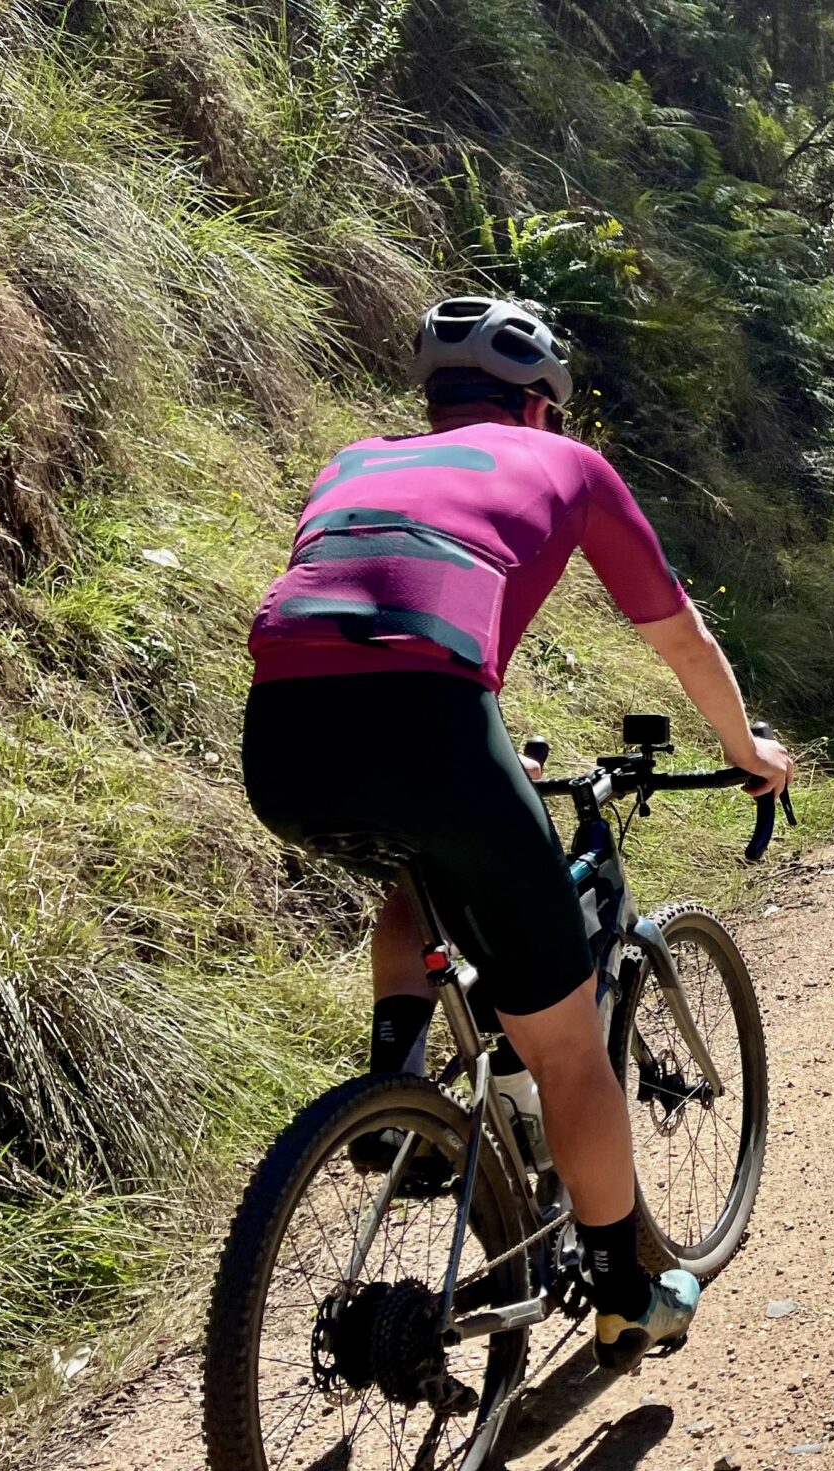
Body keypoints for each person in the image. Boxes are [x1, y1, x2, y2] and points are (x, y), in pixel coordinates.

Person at [240, 296, 793, 1369]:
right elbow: (678, 637)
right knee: (570, 1047)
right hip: (434, 729)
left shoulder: (353, 461)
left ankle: (397, 1094)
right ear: (541, 403)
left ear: (434, 400)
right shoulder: (571, 467)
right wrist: (748, 751)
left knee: (417, 866)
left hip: (283, 740)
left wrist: (485, 754)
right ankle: (628, 1292)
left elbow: (373, 613)